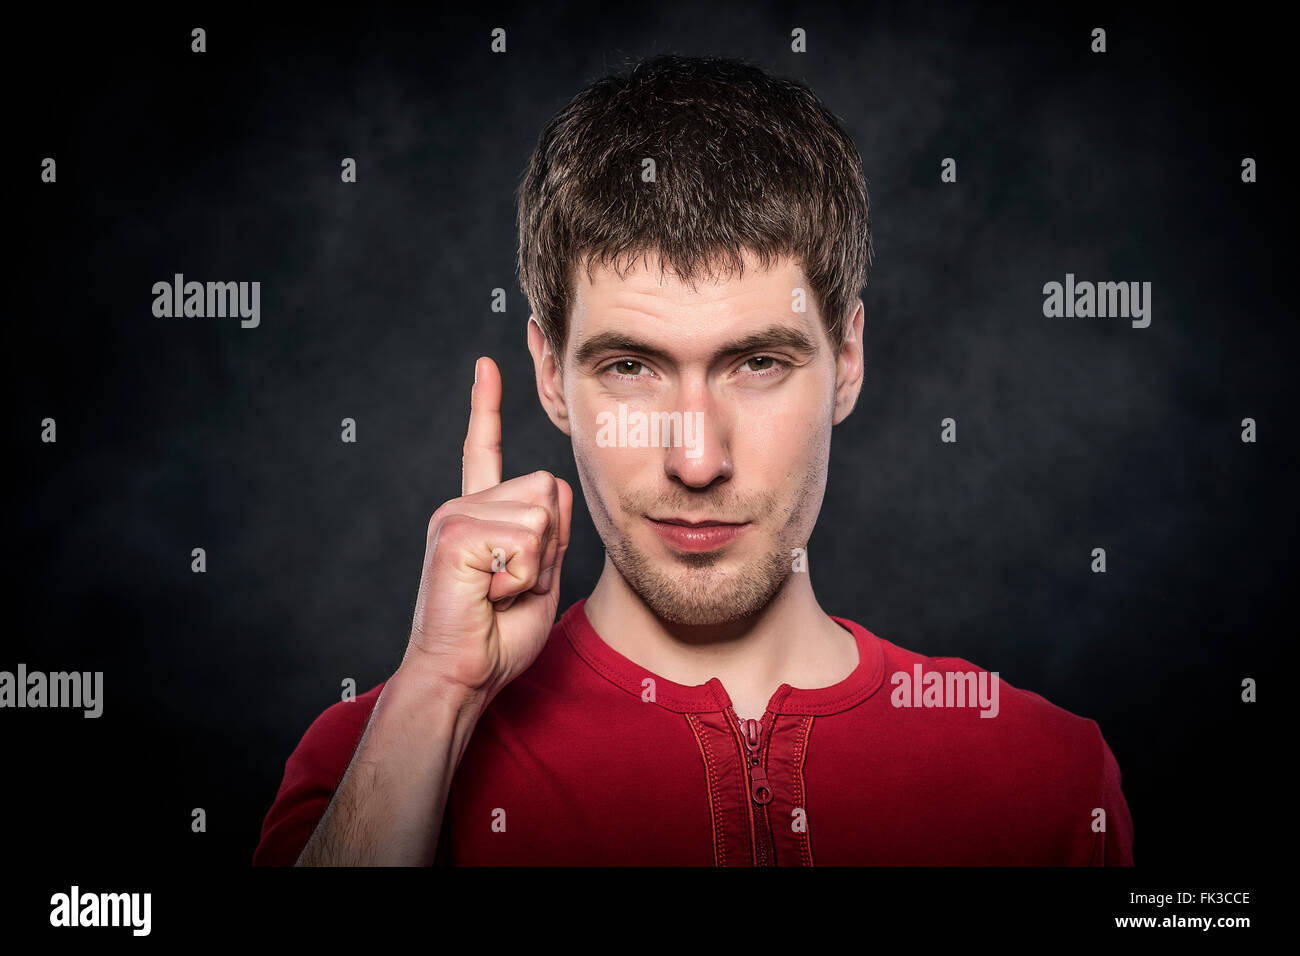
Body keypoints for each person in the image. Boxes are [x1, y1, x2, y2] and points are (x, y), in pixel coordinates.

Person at [253, 54, 1133, 866]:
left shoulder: (1047, 778)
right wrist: (436, 696)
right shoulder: (381, 757)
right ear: (551, 379)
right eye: (630, 367)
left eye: (758, 364)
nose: (697, 459)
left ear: (849, 363)